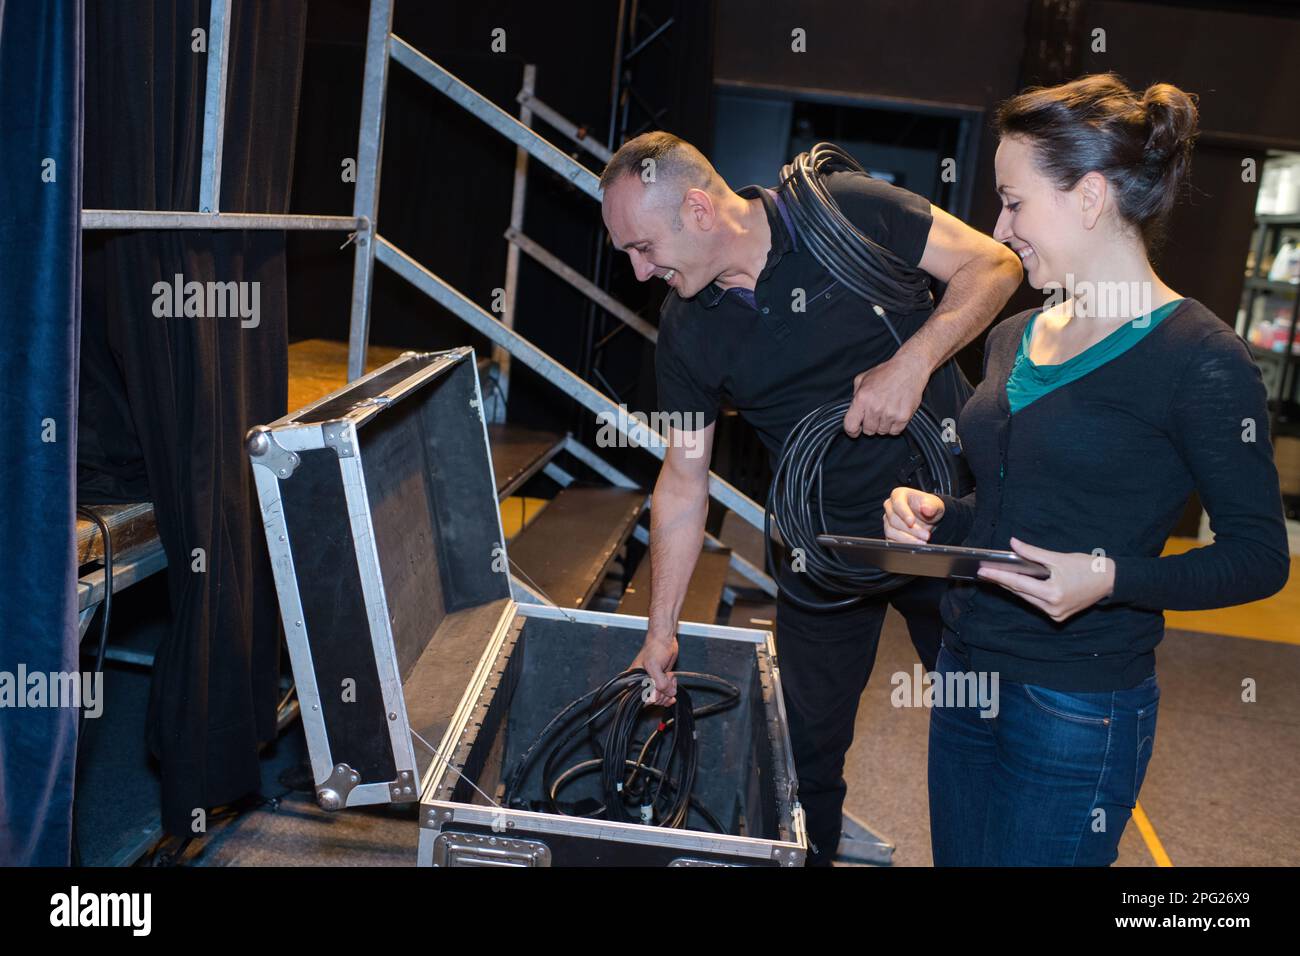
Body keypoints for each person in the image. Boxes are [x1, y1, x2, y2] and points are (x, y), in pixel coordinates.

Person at [883, 74, 1290, 866]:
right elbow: (1008, 507)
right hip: (966, 669)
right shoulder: (1015, 335)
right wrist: (940, 514)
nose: (999, 226)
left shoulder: (1201, 360)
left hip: (1077, 703)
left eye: (1014, 201)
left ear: (1091, 196)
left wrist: (1108, 577)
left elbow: (1258, 557)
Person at [599, 131, 1022, 864]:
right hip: (821, 549)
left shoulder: (847, 211)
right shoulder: (686, 328)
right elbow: (683, 479)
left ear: (697, 208)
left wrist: (911, 363)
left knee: (987, 723)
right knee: (803, 757)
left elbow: (995, 264)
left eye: (643, 247)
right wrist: (659, 631)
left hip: (943, 525)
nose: (640, 272)